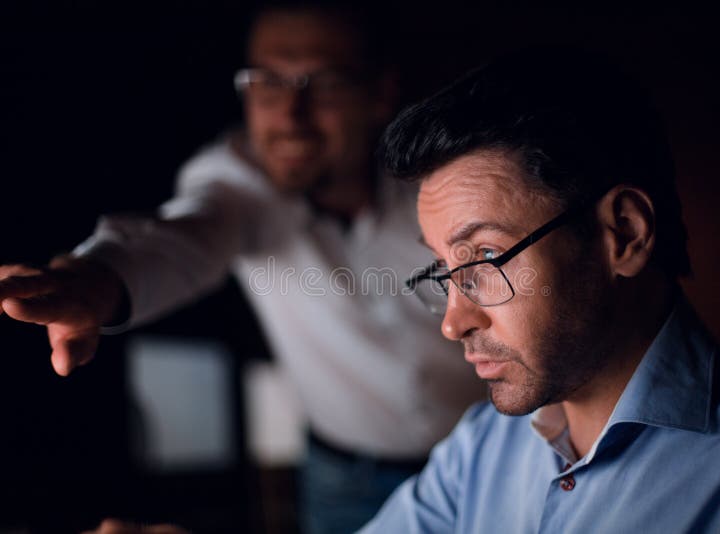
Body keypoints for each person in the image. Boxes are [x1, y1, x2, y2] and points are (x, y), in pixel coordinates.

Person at [0, 4, 483, 533]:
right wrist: (97, 279)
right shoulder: (234, 182)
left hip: (494, 458)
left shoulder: (449, 179)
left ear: (380, 92)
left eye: (323, 84)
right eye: (267, 82)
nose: (291, 115)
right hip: (345, 480)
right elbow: (178, 238)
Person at [358, 48, 720, 532]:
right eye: (444, 267)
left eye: (484, 258)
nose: (453, 321)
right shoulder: (481, 447)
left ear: (624, 233)